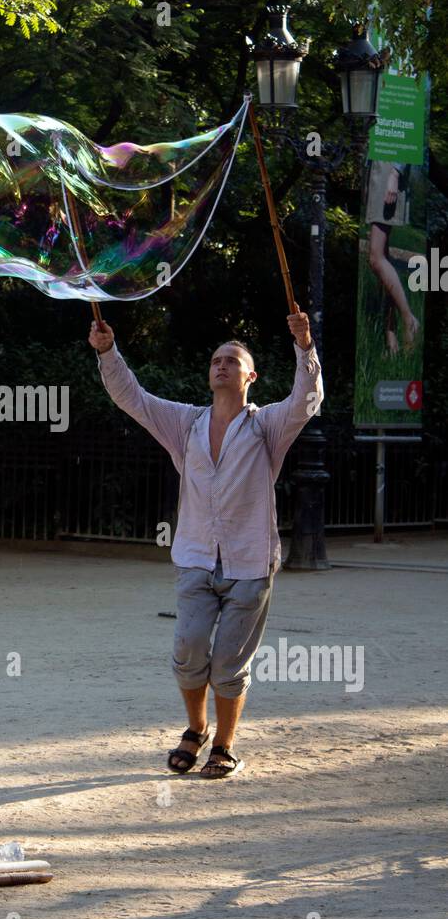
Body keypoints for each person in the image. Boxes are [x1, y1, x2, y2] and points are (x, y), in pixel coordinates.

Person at [89, 308, 323, 778]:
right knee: (189, 649)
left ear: (250, 376)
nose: (221, 365)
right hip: (196, 557)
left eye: (232, 361)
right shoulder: (186, 423)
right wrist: (107, 351)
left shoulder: (267, 425)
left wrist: (304, 346)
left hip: (250, 563)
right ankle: (196, 729)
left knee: (229, 665)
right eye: (217, 360)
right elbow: (131, 397)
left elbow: (306, 400)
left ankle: (226, 744)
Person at [364, 159, 419, 355]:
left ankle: (409, 319)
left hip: (388, 170)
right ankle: (391, 339)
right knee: (382, 257)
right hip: (380, 169)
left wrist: (395, 173)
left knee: (375, 258)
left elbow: (409, 128)